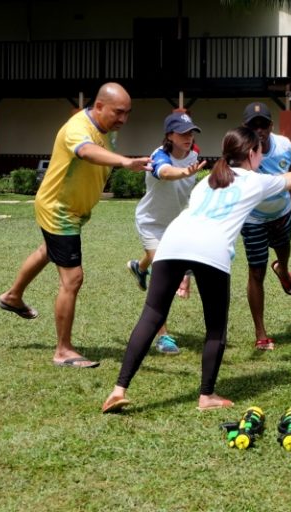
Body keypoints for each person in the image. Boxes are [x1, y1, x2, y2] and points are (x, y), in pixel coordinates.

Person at [101, 126, 291, 413]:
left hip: (173, 240)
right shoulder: (255, 181)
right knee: (215, 328)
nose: (262, 156)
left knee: (152, 315)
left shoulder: (208, 180)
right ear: (251, 153)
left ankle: (118, 390)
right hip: (211, 248)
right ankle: (206, 396)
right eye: (260, 151)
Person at [0, 82, 152, 369]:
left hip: (72, 209)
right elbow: (86, 151)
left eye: (127, 113)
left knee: (48, 250)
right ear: (99, 106)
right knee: (73, 279)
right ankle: (63, 351)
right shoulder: (77, 128)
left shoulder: (108, 130)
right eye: (118, 112)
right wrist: (124, 162)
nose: (124, 119)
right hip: (60, 210)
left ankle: (12, 296)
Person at [126, 112, 206, 355]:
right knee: (164, 273)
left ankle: (139, 267)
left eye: (191, 132)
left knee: (165, 263)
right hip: (151, 222)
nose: (188, 137)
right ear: (169, 135)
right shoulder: (158, 156)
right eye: (182, 133)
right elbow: (164, 172)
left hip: (177, 222)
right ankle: (163, 336)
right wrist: (184, 173)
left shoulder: (194, 154)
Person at [240, 102, 291, 351]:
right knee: (256, 272)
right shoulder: (240, 151)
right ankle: (260, 332)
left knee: (284, 249)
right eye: (254, 126)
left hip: (282, 213)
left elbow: (289, 175)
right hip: (253, 218)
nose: (259, 131)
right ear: (245, 128)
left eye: (263, 125)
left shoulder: (285, 146)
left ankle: (282, 269)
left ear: (271, 126)